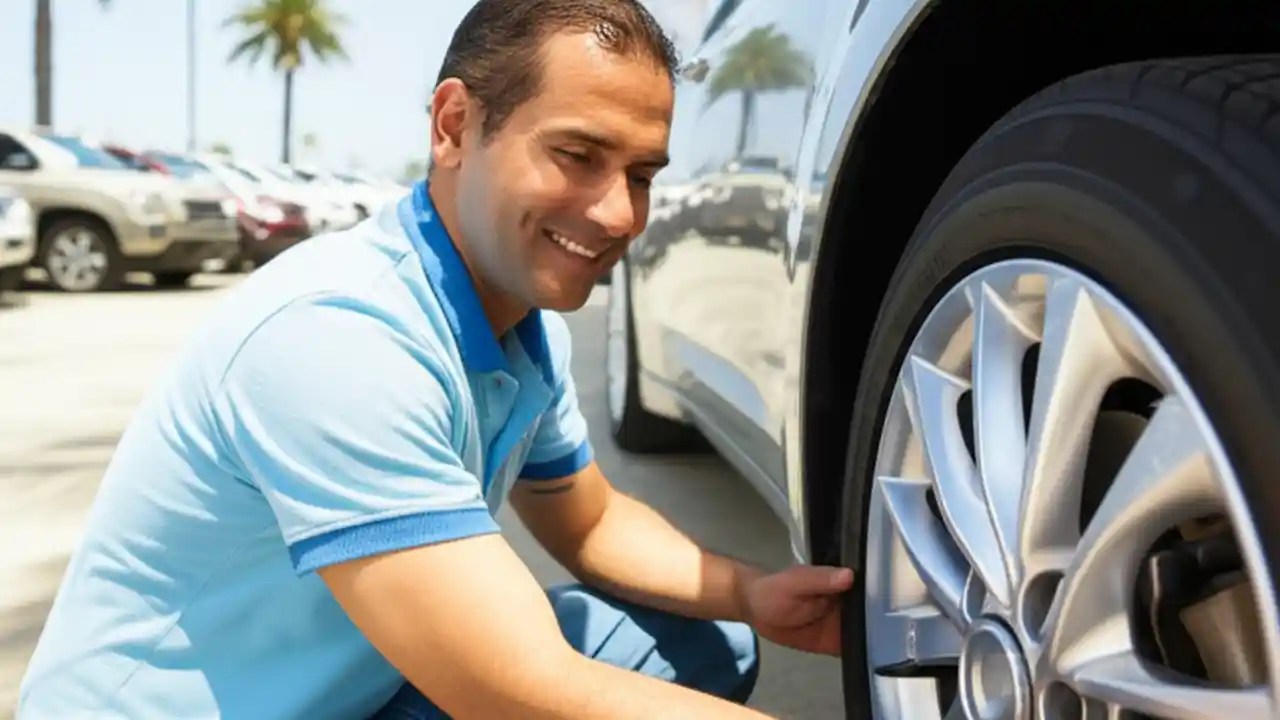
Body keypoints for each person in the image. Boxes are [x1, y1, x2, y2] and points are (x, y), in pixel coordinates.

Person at [17, 1, 854, 717]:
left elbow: (590, 522)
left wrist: (754, 592)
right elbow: (514, 689)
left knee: (707, 647)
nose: (618, 213)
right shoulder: (337, 338)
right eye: (577, 156)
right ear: (455, 126)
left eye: (641, 173)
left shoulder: (521, 327)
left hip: (359, 691)